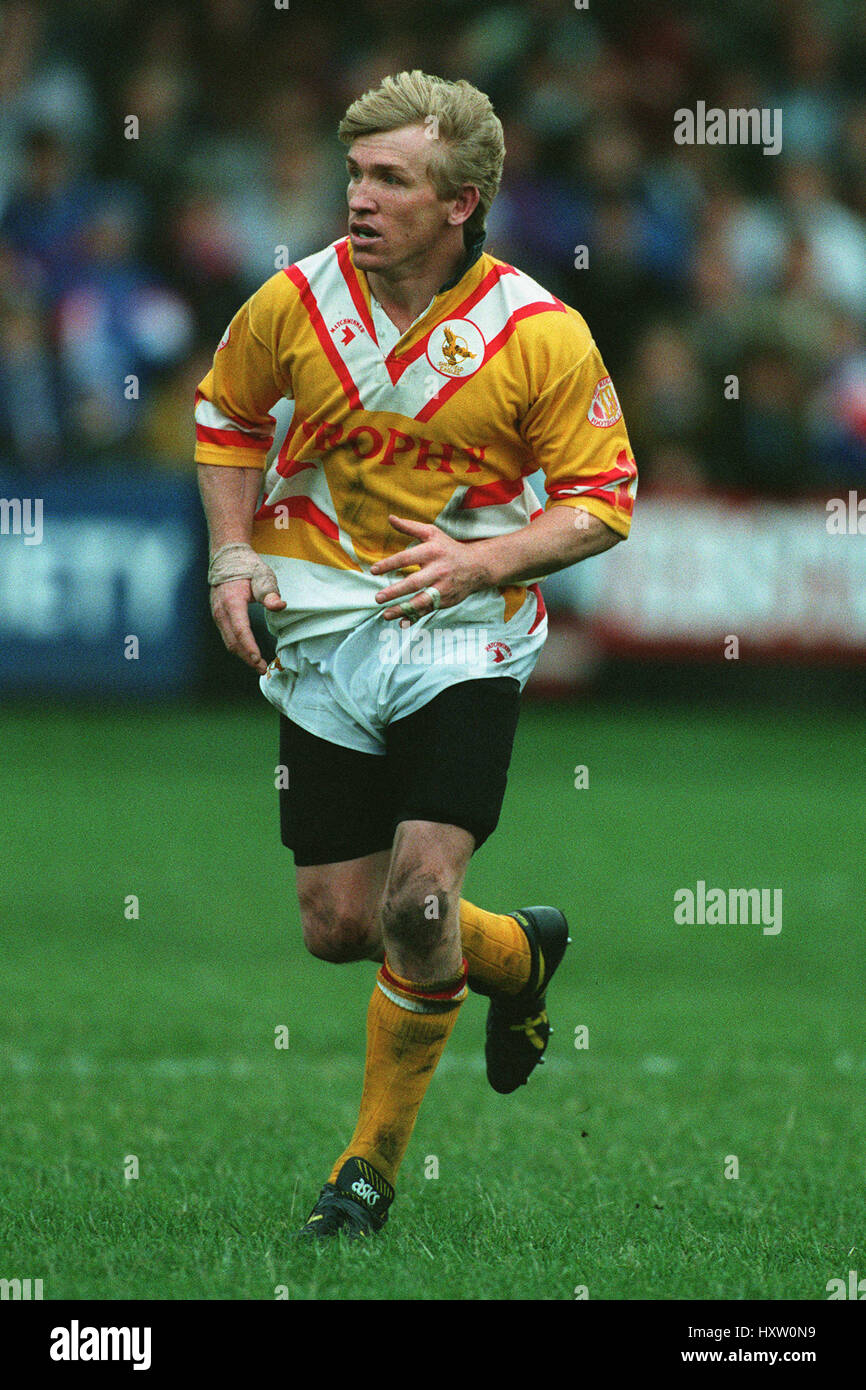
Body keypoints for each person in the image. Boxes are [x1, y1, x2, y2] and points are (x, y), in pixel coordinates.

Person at [194, 70, 637, 1240]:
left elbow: (602, 499)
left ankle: (365, 1176)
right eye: (354, 173)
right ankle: (519, 956)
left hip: (465, 631)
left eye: (390, 177)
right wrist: (231, 556)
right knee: (340, 925)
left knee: (417, 893)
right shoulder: (289, 304)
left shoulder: (539, 333)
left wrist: (486, 565)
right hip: (324, 629)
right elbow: (228, 419)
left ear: (461, 201)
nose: (359, 197)